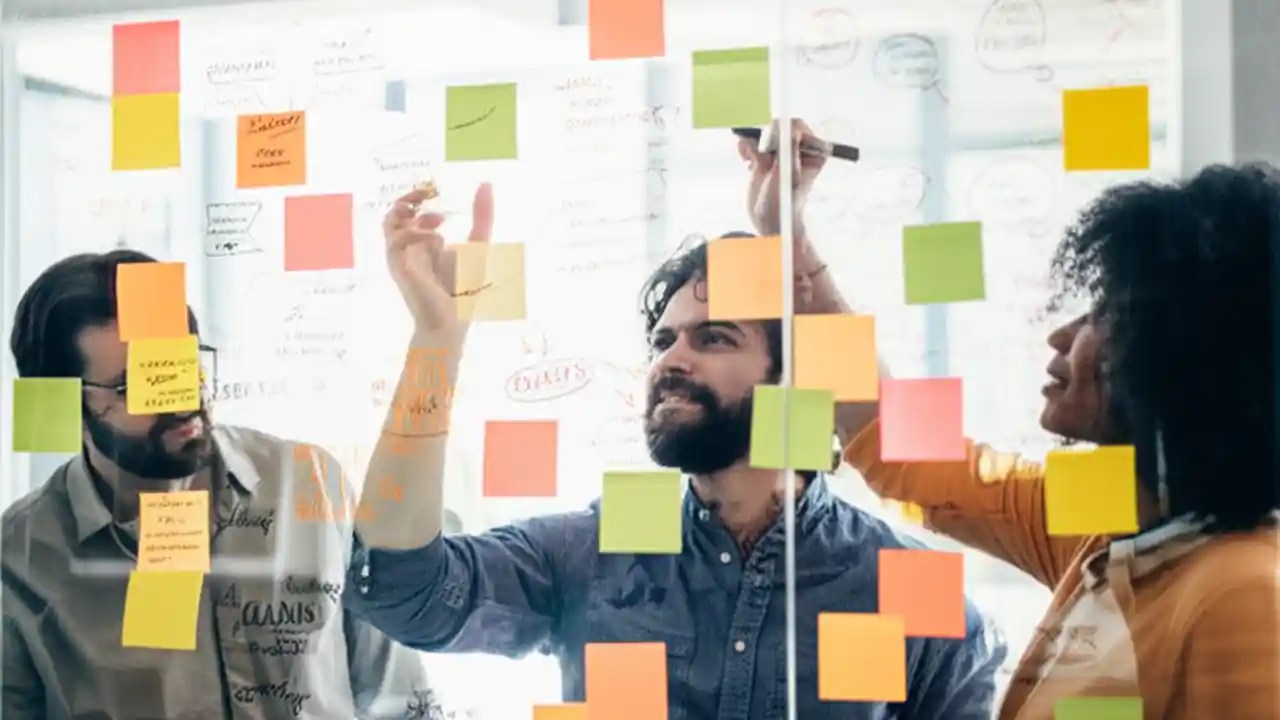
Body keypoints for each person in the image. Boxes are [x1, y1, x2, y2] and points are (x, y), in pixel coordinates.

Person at [342, 122, 1007, 719]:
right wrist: (438, 338)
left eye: (713, 338)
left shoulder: (910, 589)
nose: (671, 360)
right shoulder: (600, 549)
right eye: (664, 342)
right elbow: (404, 594)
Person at [842, 164, 1280, 718]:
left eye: (1104, 314)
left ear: (1183, 355)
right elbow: (908, 455)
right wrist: (798, 256)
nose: (1062, 335)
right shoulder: (1117, 530)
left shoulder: (1240, 592)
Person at [2, 250, 440, 719]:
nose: (182, 396)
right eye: (140, 383)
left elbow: (398, 694)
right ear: (65, 405)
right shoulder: (24, 554)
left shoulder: (309, 483)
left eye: (183, 362)